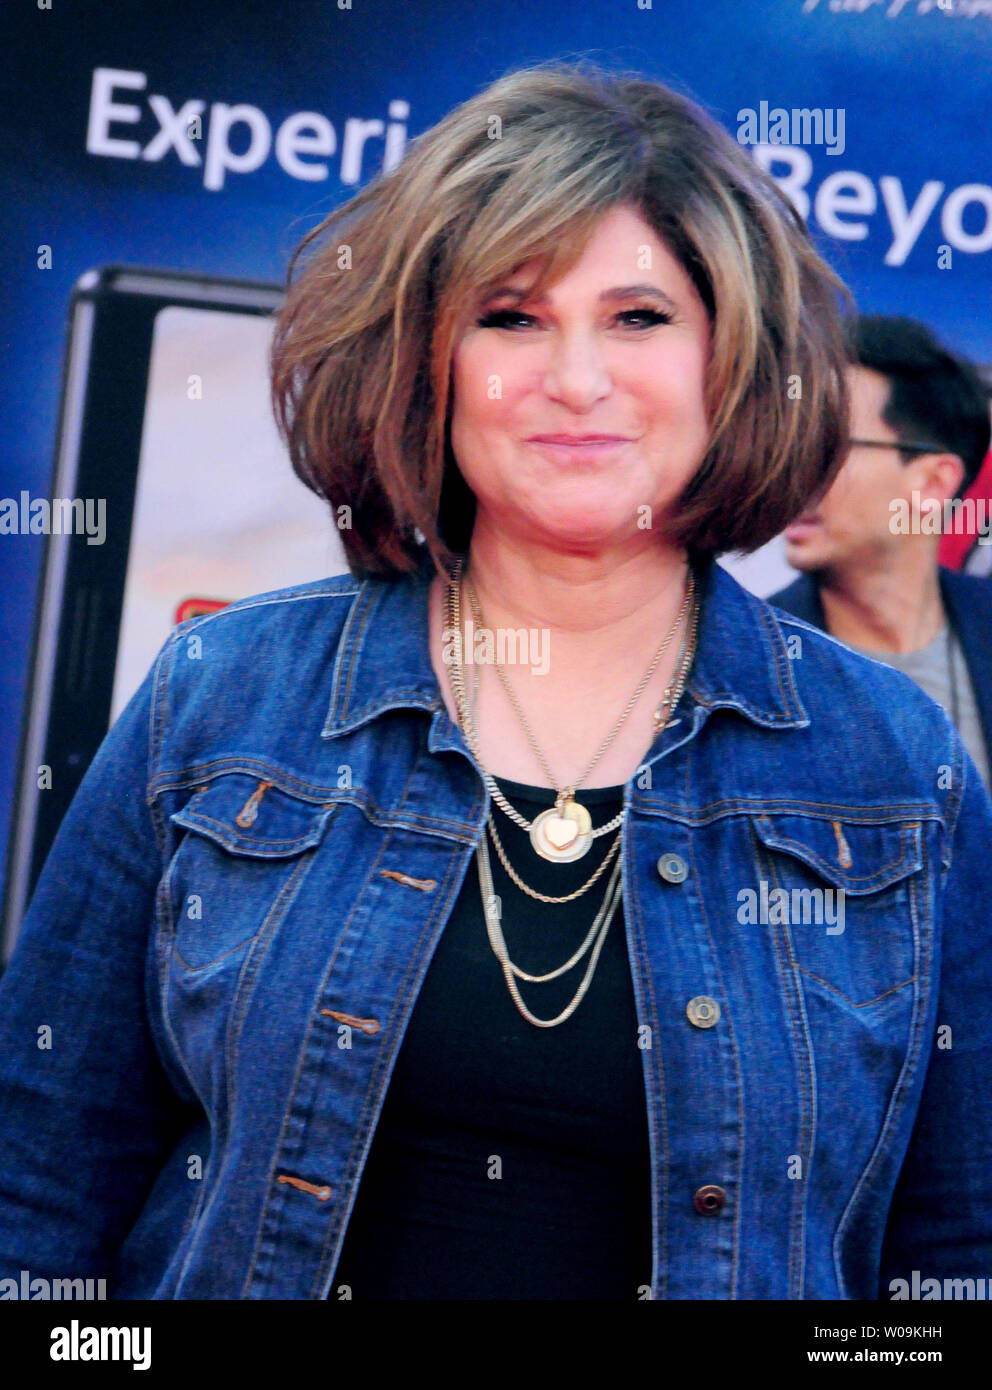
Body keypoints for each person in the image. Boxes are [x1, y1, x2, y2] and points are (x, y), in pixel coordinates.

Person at [1, 59, 991, 1302]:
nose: (573, 379)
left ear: (730, 361)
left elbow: (954, 1256)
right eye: (510, 316)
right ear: (427, 357)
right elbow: (36, 1189)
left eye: (638, 318)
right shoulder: (223, 694)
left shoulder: (893, 762)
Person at [771, 316, 992, 786]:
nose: (794, 472)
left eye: (827, 446)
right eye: (792, 443)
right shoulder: (748, 662)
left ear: (932, 483)